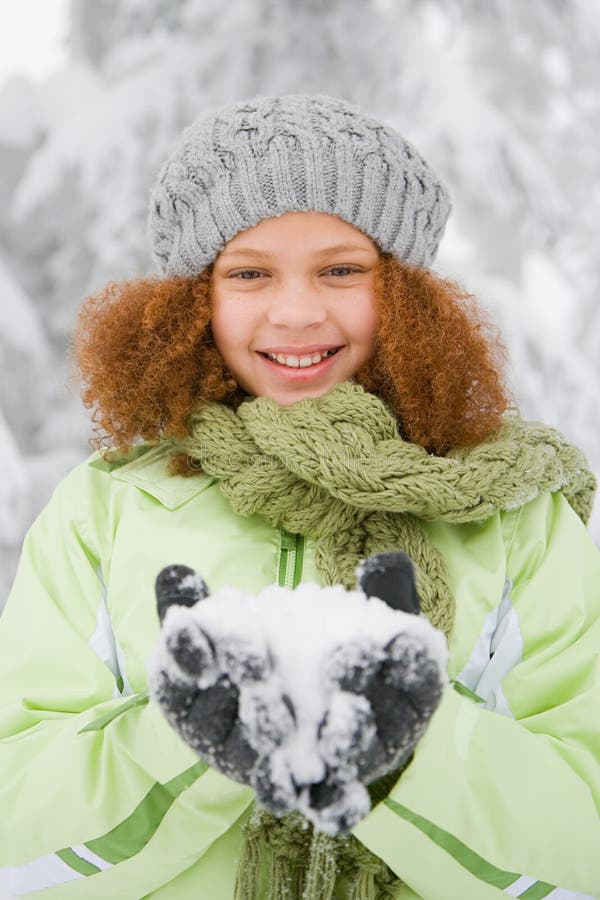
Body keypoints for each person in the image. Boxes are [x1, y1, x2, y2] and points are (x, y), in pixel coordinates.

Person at [0, 94, 599, 900]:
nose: (296, 310)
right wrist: (192, 740)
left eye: (342, 270)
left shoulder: (516, 517)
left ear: (408, 295)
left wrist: (410, 754)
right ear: (193, 303)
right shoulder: (101, 515)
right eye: (249, 273)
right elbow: (16, 846)